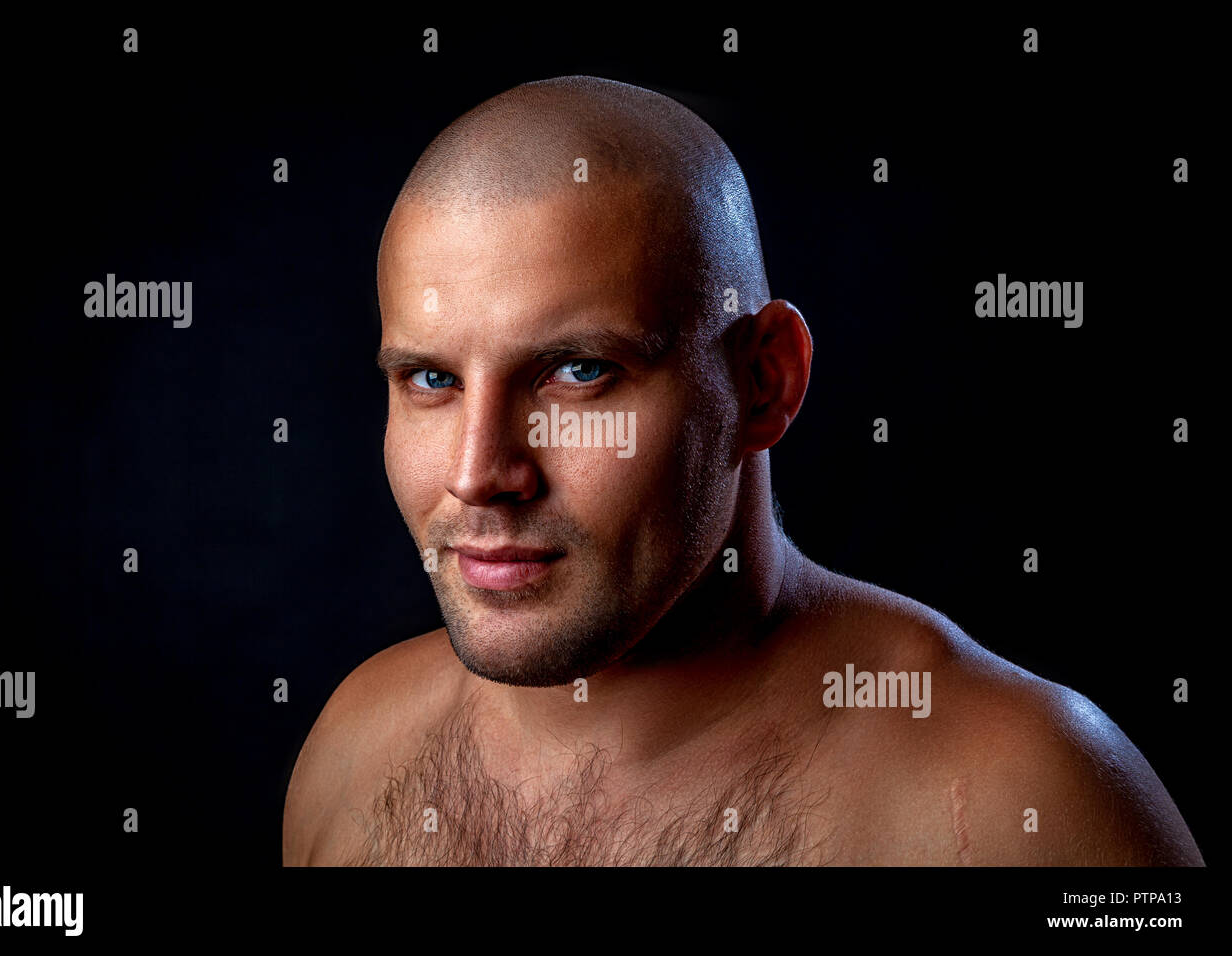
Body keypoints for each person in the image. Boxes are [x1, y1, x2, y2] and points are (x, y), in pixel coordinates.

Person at [283, 76, 1203, 866]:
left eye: (579, 372)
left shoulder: (1019, 800)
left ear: (764, 384)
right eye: (432, 379)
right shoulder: (357, 754)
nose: (481, 474)